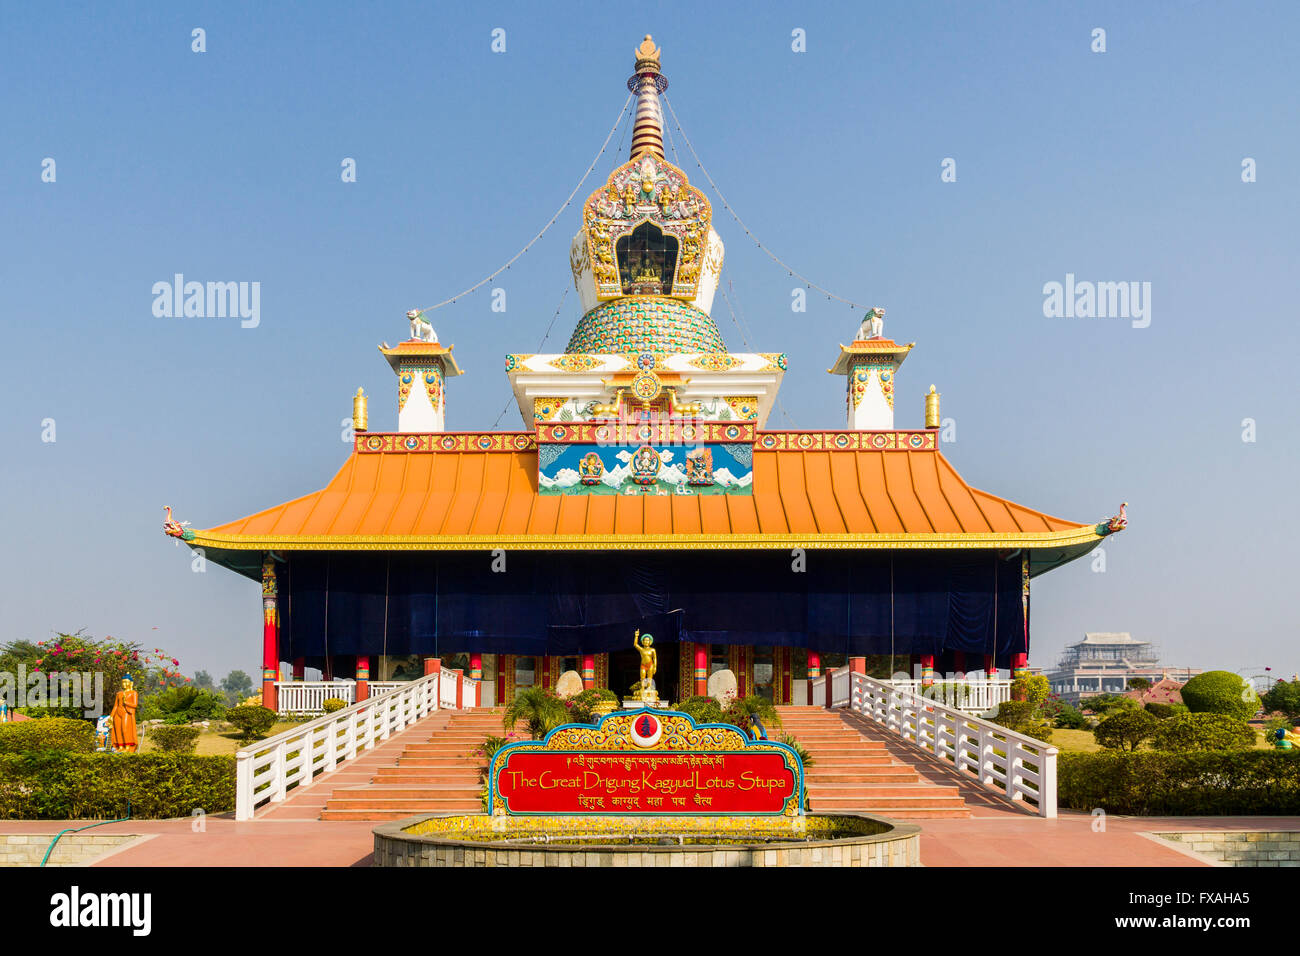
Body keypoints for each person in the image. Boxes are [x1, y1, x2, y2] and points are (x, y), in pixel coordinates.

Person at [109, 676, 139, 753]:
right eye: (123, 682)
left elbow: (135, 705)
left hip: (126, 713)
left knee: (125, 730)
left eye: (126, 682)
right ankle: (121, 746)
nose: (124, 684)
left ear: (131, 683)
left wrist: (126, 703)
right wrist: (111, 716)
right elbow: (116, 705)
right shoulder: (119, 693)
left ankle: (128, 746)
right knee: (118, 730)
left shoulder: (133, 693)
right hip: (117, 713)